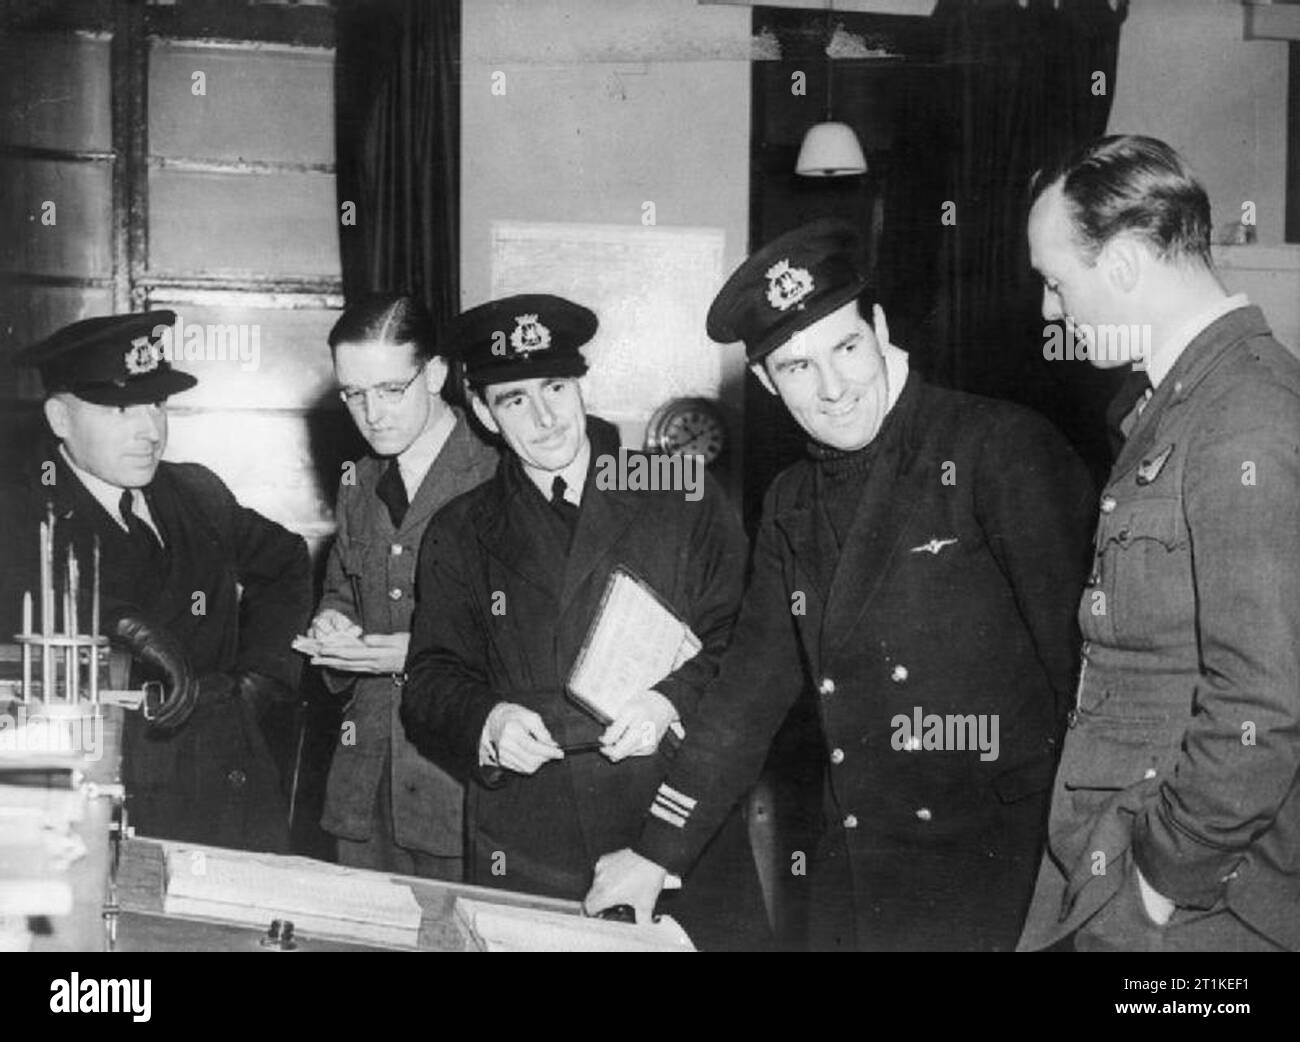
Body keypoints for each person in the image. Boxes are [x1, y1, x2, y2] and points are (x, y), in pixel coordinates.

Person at [584, 219, 1095, 951]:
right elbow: (747, 692)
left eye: (846, 348)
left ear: (879, 327)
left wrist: (1098, 872)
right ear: (763, 380)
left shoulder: (996, 449)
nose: (831, 388)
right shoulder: (792, 500)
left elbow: (1086, 680)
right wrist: (659, 848)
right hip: (859, 872)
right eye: (795, 368)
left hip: (1000, 878)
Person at [399, 293, 765, 950]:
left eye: (557, 387)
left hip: (676, 821)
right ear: (482, 412)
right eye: (514, 400)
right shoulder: (458, 531)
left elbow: (745, 642)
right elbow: (429, 681)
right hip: (535, 839)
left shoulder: (674, 486)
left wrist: (669, 700)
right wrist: (487, 722)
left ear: (579, 385)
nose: (545, 418)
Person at [1016, 134, 1300, 952]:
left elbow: (1262, 704)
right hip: (1117, 862)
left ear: (1128, 263)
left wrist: (1157, 885)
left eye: (1054, 281)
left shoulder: (1246, 417)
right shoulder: (1173, 403)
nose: (1048, 310)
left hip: (1201, 909)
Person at [0, 311, 311, 852]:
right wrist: (124, 625)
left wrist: (262, 679)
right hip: (114, 799)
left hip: (232, 785)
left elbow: (286, 560)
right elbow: (23, 586)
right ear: (60, 418)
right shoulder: (23, 510)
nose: (150, 430)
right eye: (121, 408)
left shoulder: (197, 493)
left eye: (158, 404)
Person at [303, 295, 497, 880]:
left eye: (391, 390)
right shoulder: (360, 483)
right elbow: (343, 589)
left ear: (435, 374)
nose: (372, 414)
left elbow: (531, 638)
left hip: (457, 788)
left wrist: (417, 655)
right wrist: (331, 624)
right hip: (364, 787)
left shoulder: (497, 472)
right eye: (354, 394)